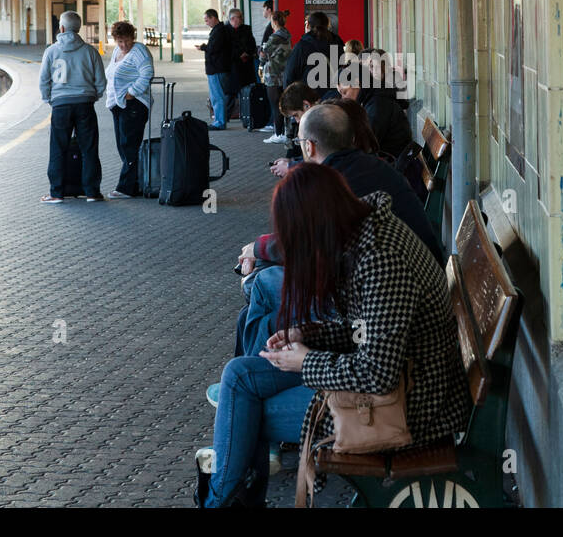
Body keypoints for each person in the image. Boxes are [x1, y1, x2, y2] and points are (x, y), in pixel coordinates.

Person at [194, 162, 471, 508]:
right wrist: (307, 333)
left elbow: (378, 374)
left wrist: (307, 360)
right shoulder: (364, 233)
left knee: (247, 416)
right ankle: (226, 499)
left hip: (412, 407)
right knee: (239, 376)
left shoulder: (382, 260)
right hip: (399, 383)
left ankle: (219, 502)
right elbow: (365, 332)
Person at [227, 101, 443, 366]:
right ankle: (256, 370)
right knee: (257, 296)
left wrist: (257, 250)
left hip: (377, 308)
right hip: (381, 299)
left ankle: (258, 371)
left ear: (309, 146)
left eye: (299, 138)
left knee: (259, 301)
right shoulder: (364, 169)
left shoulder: (334, 186)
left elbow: (306, 244)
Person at [38, 10, 107, 203]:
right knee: (89, 148)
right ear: (79, 28)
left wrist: (50, 100)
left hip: (60, 106)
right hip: (85, 104)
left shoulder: (51, 51)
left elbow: (44, 80)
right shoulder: (90, 51)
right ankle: (92, 192)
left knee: (58, 148)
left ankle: (56, 193)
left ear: (61, 28)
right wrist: (94, 96)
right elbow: (101, 81)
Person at [104, 20, 154, 199]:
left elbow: (147, 73)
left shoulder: (139, 51)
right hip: (118, 105)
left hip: (134, 105)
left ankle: (125, 188)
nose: (124, 45)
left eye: (126, 40)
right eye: (119, 41)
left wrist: (132, 92)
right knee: (122, 146)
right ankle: (137, 183)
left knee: (129, 145)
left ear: (132, 37)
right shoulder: (117, 51)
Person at [339, 81, 413, 160]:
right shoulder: (373, 98)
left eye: (345, 92)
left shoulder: (377, 104)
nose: (343, 98)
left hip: (397, 161)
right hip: (395, 158)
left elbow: (367, 144)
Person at [282, 11, 344, 93]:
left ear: (307, 25)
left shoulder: (302, 46)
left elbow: (289, 76)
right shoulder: (338, 45)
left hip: (310, 99)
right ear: (328, 25)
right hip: (334, 97)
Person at [197, 8, 233, 130]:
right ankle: (220, 120)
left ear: (213, 18)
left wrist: (203, 48)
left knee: (217, 96)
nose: (206, 23)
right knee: (218, 96)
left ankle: (219, 122)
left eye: (207, 20)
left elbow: (214, 48)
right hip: (219, 68)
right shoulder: (221, 30)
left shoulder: (219, 31)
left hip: (216, 69)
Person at [260, 10, 292, 144]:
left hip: (273, 74)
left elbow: (263, 54)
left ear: (274, 21)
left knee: (275, 105)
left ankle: (278, 134)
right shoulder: (287, 35)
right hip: (284, 74)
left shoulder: (274, 37)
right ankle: (286, 131)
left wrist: (261, 56)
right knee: (284, 104)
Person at [228, 8, 259, 91]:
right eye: (239, 17)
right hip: (233, 65)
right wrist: (239, 54)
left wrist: (247, 53)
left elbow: (252, 44)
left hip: (247, 64)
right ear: (232, 18)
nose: (242, 19)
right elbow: (227, 47)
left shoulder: (246, 29)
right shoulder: (225, 30)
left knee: (248, 90)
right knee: (234, 91)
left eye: (241, 17)